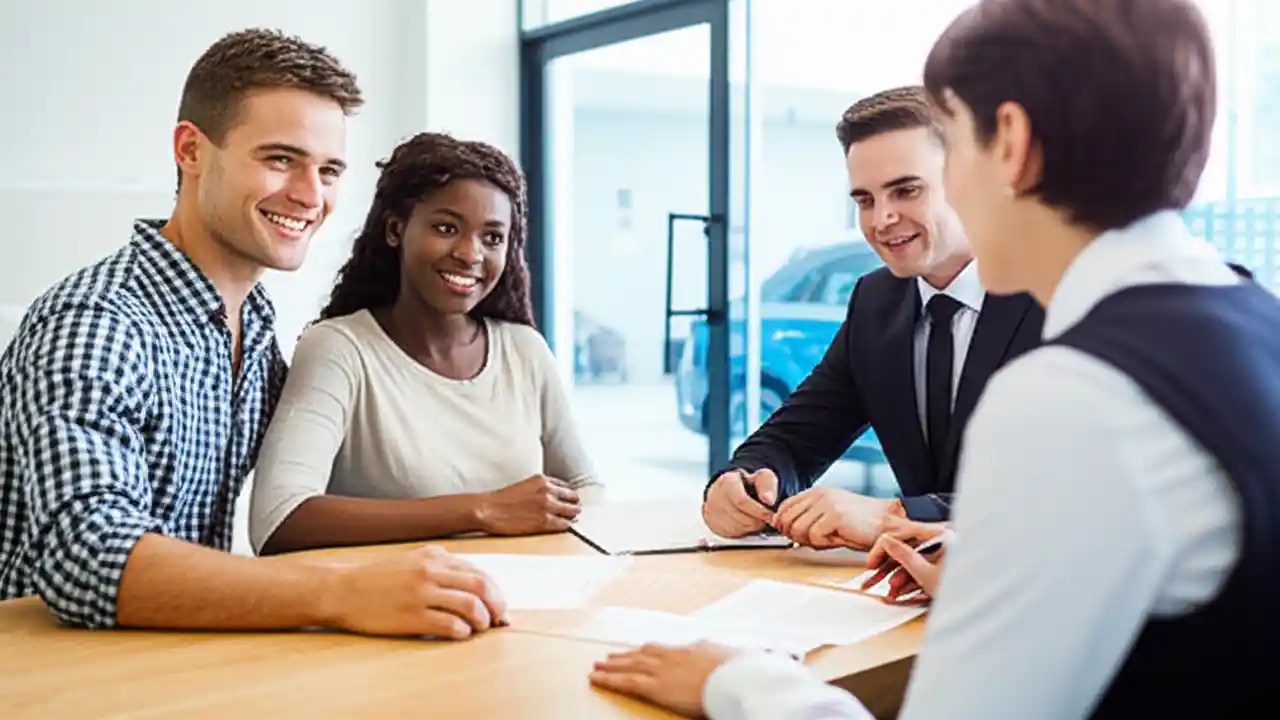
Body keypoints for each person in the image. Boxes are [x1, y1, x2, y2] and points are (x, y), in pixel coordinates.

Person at [590, 0, 1280, 717]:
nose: (888, 215)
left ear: (1007, 141)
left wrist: (734, 681)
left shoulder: (1077, 393)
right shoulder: (1251, 316)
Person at [0, 29, 507, 641]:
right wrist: (341, 592)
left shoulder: (256, 326)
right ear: (191, 150)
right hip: (48, 673)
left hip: (176, 654)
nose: (310, 195)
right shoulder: (97, 322)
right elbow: (88, 556)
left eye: (328, 170)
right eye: (279, 159)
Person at [702, 86, 1043, 550]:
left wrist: (894, 516)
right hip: (917, 599)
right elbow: (796, 436)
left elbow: (1075, 493)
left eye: (907, 190)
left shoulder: (1055, 294)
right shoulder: (876, 302)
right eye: (864, 200)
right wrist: (741, 483)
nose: (882, 219)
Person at [248, 132, 600, 555]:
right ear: (397, 229)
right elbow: (279, 518)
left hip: (522, 606)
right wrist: (481, 510)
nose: (470, 254)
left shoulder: (525, 350)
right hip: (392, 609)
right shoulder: (340, 349)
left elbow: (586, 488)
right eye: (447, 228)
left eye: (492, 238)